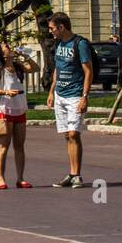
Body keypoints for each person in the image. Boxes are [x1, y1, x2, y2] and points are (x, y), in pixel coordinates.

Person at [46, 12, 92, 189]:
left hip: (75, 94)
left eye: (52, 28)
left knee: (74, 133)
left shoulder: (80, 44)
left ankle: (77, 174)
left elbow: (88, 71)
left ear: (61, 27)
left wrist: (84, 97)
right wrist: (51, 92)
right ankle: (72, 174)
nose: (50, 32)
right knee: (67, 135)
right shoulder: (59, 43)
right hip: (60, 94)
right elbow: (58, 69)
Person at [0, 40, 38, 189]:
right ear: (3, 54)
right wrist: (6, 92)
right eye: (7, 47)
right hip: (4, 111)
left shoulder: (18, 67)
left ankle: (20, 178)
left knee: (19, 145)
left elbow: (35, 68)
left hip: (19, 109)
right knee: (4, 146)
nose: (11, 48)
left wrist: (25, 56)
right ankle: (1, 179)